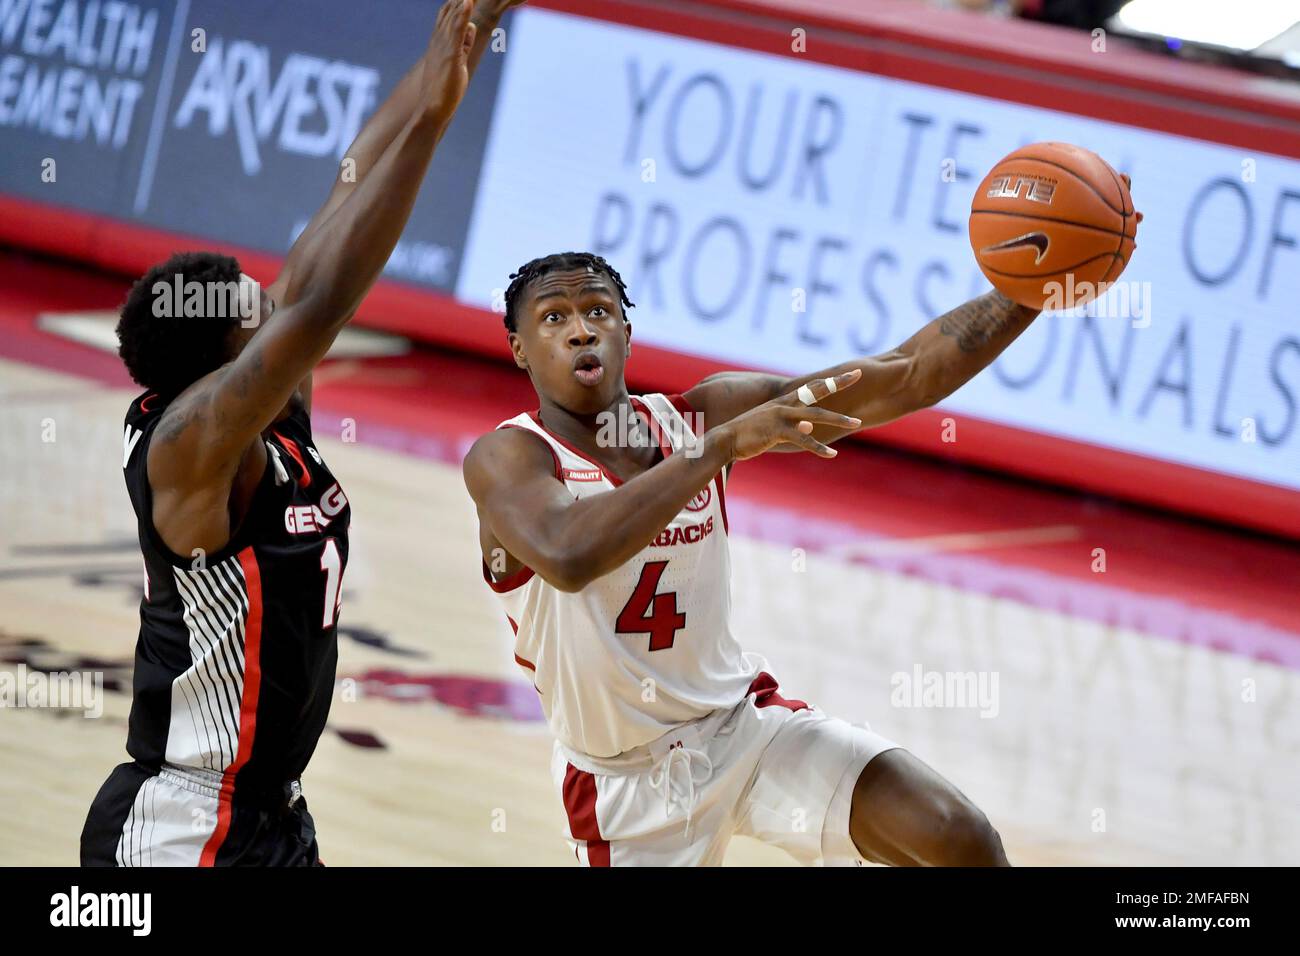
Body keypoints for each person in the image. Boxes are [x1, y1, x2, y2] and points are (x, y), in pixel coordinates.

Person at [82, 0, 518, 867]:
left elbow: (347, 183)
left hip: (268, 822)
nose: (269, 309)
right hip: (180, 828)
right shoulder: (186, 453)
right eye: (254, 316)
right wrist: (431, 129)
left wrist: (444, 75)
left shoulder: (264, 420)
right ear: (217, 369)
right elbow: (321, 307)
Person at [462, 249, 1045, 866]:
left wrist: (1036, 288)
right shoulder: (509, 457)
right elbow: (569, 553)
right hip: (626, 789)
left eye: (598, 310)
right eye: (553, 318)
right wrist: (718, 449)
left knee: (957, 834)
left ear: (626, 333)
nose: (581, 328)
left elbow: (905, 374)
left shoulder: (700, 416)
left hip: (743, 730)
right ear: (519, 348)